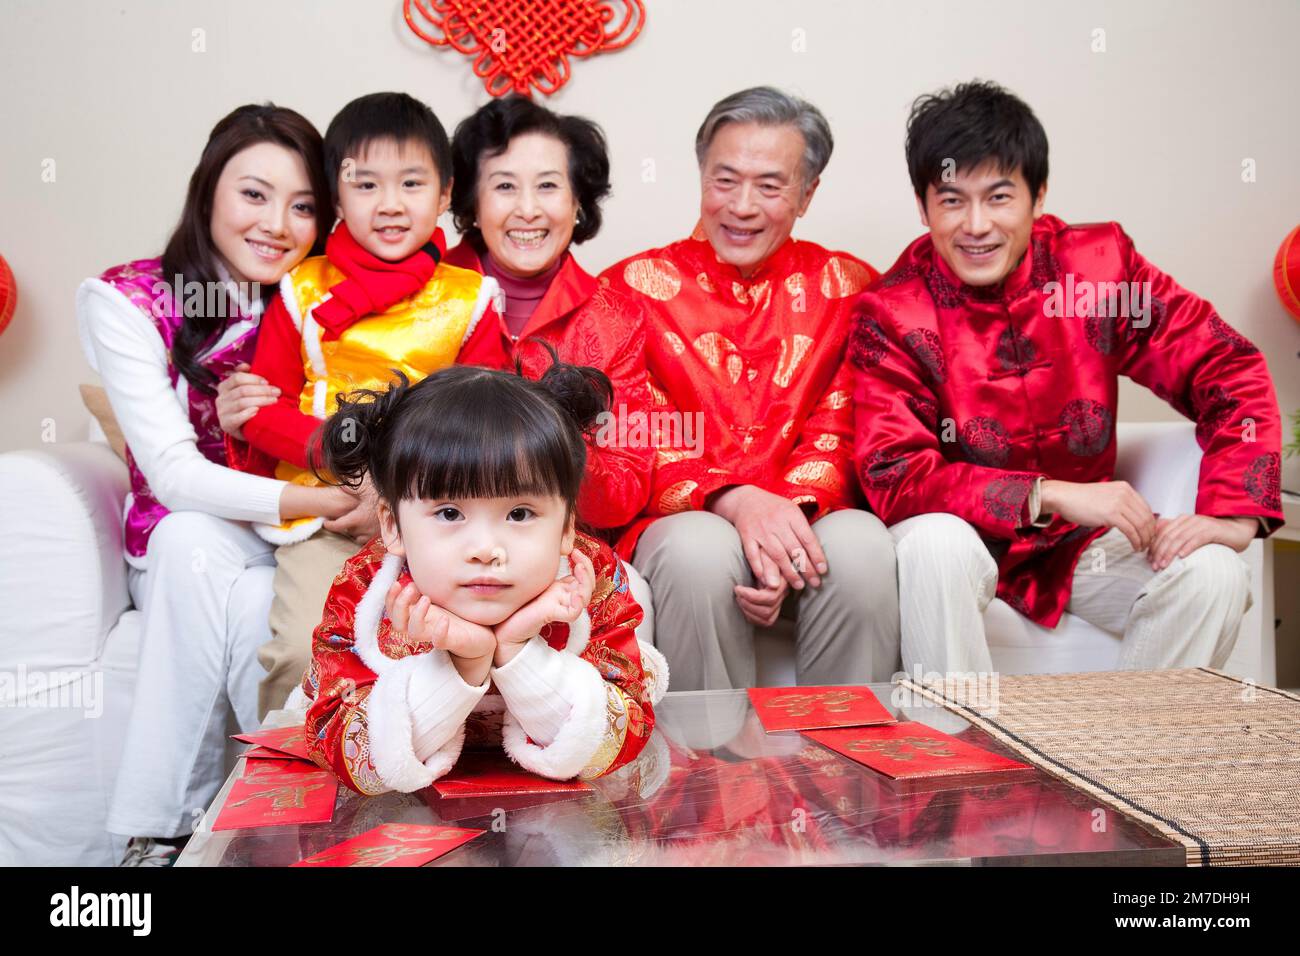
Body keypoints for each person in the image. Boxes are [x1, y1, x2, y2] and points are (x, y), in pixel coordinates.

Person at [849, 80, 1284, 676]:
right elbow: (896, 476)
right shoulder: (891, 312)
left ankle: (1122, 764)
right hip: (961, 544)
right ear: (923, 208)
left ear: (1038, 195)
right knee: (936, 545)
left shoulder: (1098, 269)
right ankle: (957, 760)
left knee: (1212, 575)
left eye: (999, 197)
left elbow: (1226, 365)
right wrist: (1046, 493)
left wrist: (1233, 512)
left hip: (1077, 549)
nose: (976, 225)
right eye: (951, 201)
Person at [76, 103, 350, 865]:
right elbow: (170, 474)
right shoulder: (129, 299)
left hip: (299, 543)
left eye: (303, 206)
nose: (277, 224)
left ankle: (253, 829)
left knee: (269, 607)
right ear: (207, 193)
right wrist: (313, 499)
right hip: (184, 536)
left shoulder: (323, 302)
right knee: (196, 543)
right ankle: (161, 831)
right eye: (253, 194)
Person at [602, 86, 901, 691]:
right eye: (724, 180)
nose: (741, 206)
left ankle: (843, 769)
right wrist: (733, 500)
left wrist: (783, 524)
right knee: (697, 552)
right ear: (701, 177)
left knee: (864, 547)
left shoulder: (851, 289)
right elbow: (626, 431)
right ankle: (703, 774)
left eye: (770, 186)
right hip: (687, 513)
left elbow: (846, 424)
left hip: (814, 511)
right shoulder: (629, 289)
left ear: (807, 194)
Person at [225, 92, 500, 718]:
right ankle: (282, 798)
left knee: (440, 655)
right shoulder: (300, 288)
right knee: (301, 655)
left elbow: (482, 422)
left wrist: (396, 488)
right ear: (336, 195)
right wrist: (348, 468)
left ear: (446, 191)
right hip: (328, 510)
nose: (392, 204)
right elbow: (263, 411)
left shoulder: (470, 297)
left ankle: (419, 791)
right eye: (365, 183)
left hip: (438, 516)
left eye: (412, 182)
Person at [301, 359, 668, 793]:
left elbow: (614, 741)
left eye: (519, 513)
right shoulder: (366, 591)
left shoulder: (591, 580)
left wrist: (516, 650)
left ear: (567, 526)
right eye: (449, 513)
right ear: (393, 525)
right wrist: (466, 660)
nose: (485, 550)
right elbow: (350, 753)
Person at [445, 94, 656, 636]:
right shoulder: (425, 295)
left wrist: (540, 435)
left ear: (578, 202)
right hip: (439, 546)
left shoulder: (618, 318)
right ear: (470, 201)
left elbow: (625, 489)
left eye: (547, 185)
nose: (528, 210)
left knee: (629, 599)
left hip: (561, 552)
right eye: (504, 186)